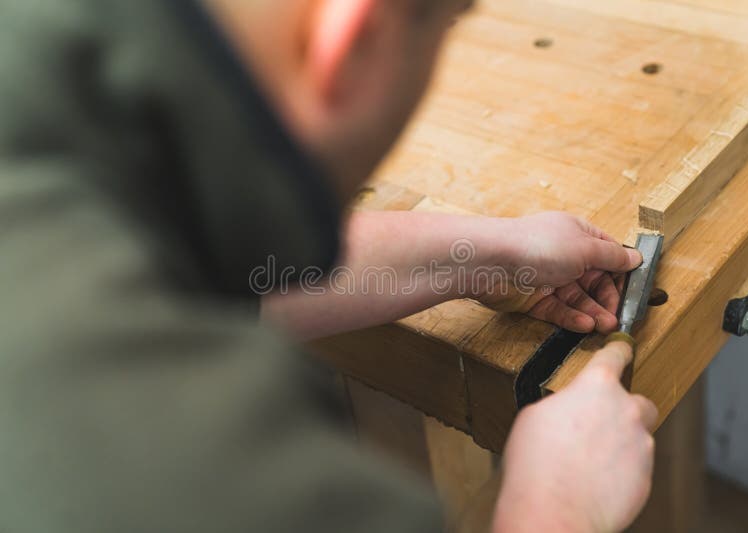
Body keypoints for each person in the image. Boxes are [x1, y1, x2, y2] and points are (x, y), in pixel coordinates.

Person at [0, 0, 657, 531]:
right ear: (356, 34)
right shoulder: (189, 461)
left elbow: (220, 277)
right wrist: (558, 507)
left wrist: (483, 257)